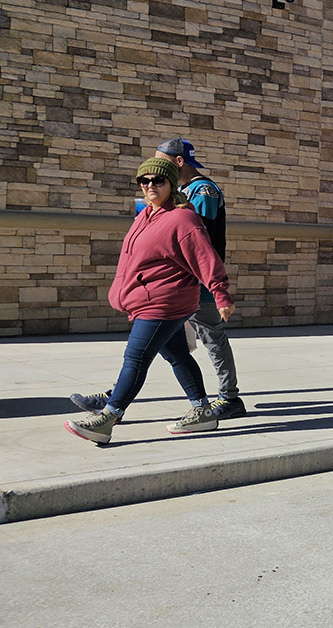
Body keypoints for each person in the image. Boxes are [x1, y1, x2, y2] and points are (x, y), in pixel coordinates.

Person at [65, 157, 236, 445]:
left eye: (158, 180)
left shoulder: (183, 218)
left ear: (171, 183)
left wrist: (220, 294)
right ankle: (203, 411)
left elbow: (206, 258)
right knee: (178, 355)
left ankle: (108, 418)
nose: (150, 186)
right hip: (147, 300)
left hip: (166, 301)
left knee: (136, 357)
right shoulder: (145, 216)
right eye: (144, 181)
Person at [154, 137, 246, 420]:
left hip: (199, 281)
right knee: (150, 338)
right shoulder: (183, 190)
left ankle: (230, 398)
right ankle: (115, 397)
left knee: (212, 337)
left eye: (162, 161)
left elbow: (197, 239)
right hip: (180, 280)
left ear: (179, 161)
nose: (157, 168)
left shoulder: (203, 191)